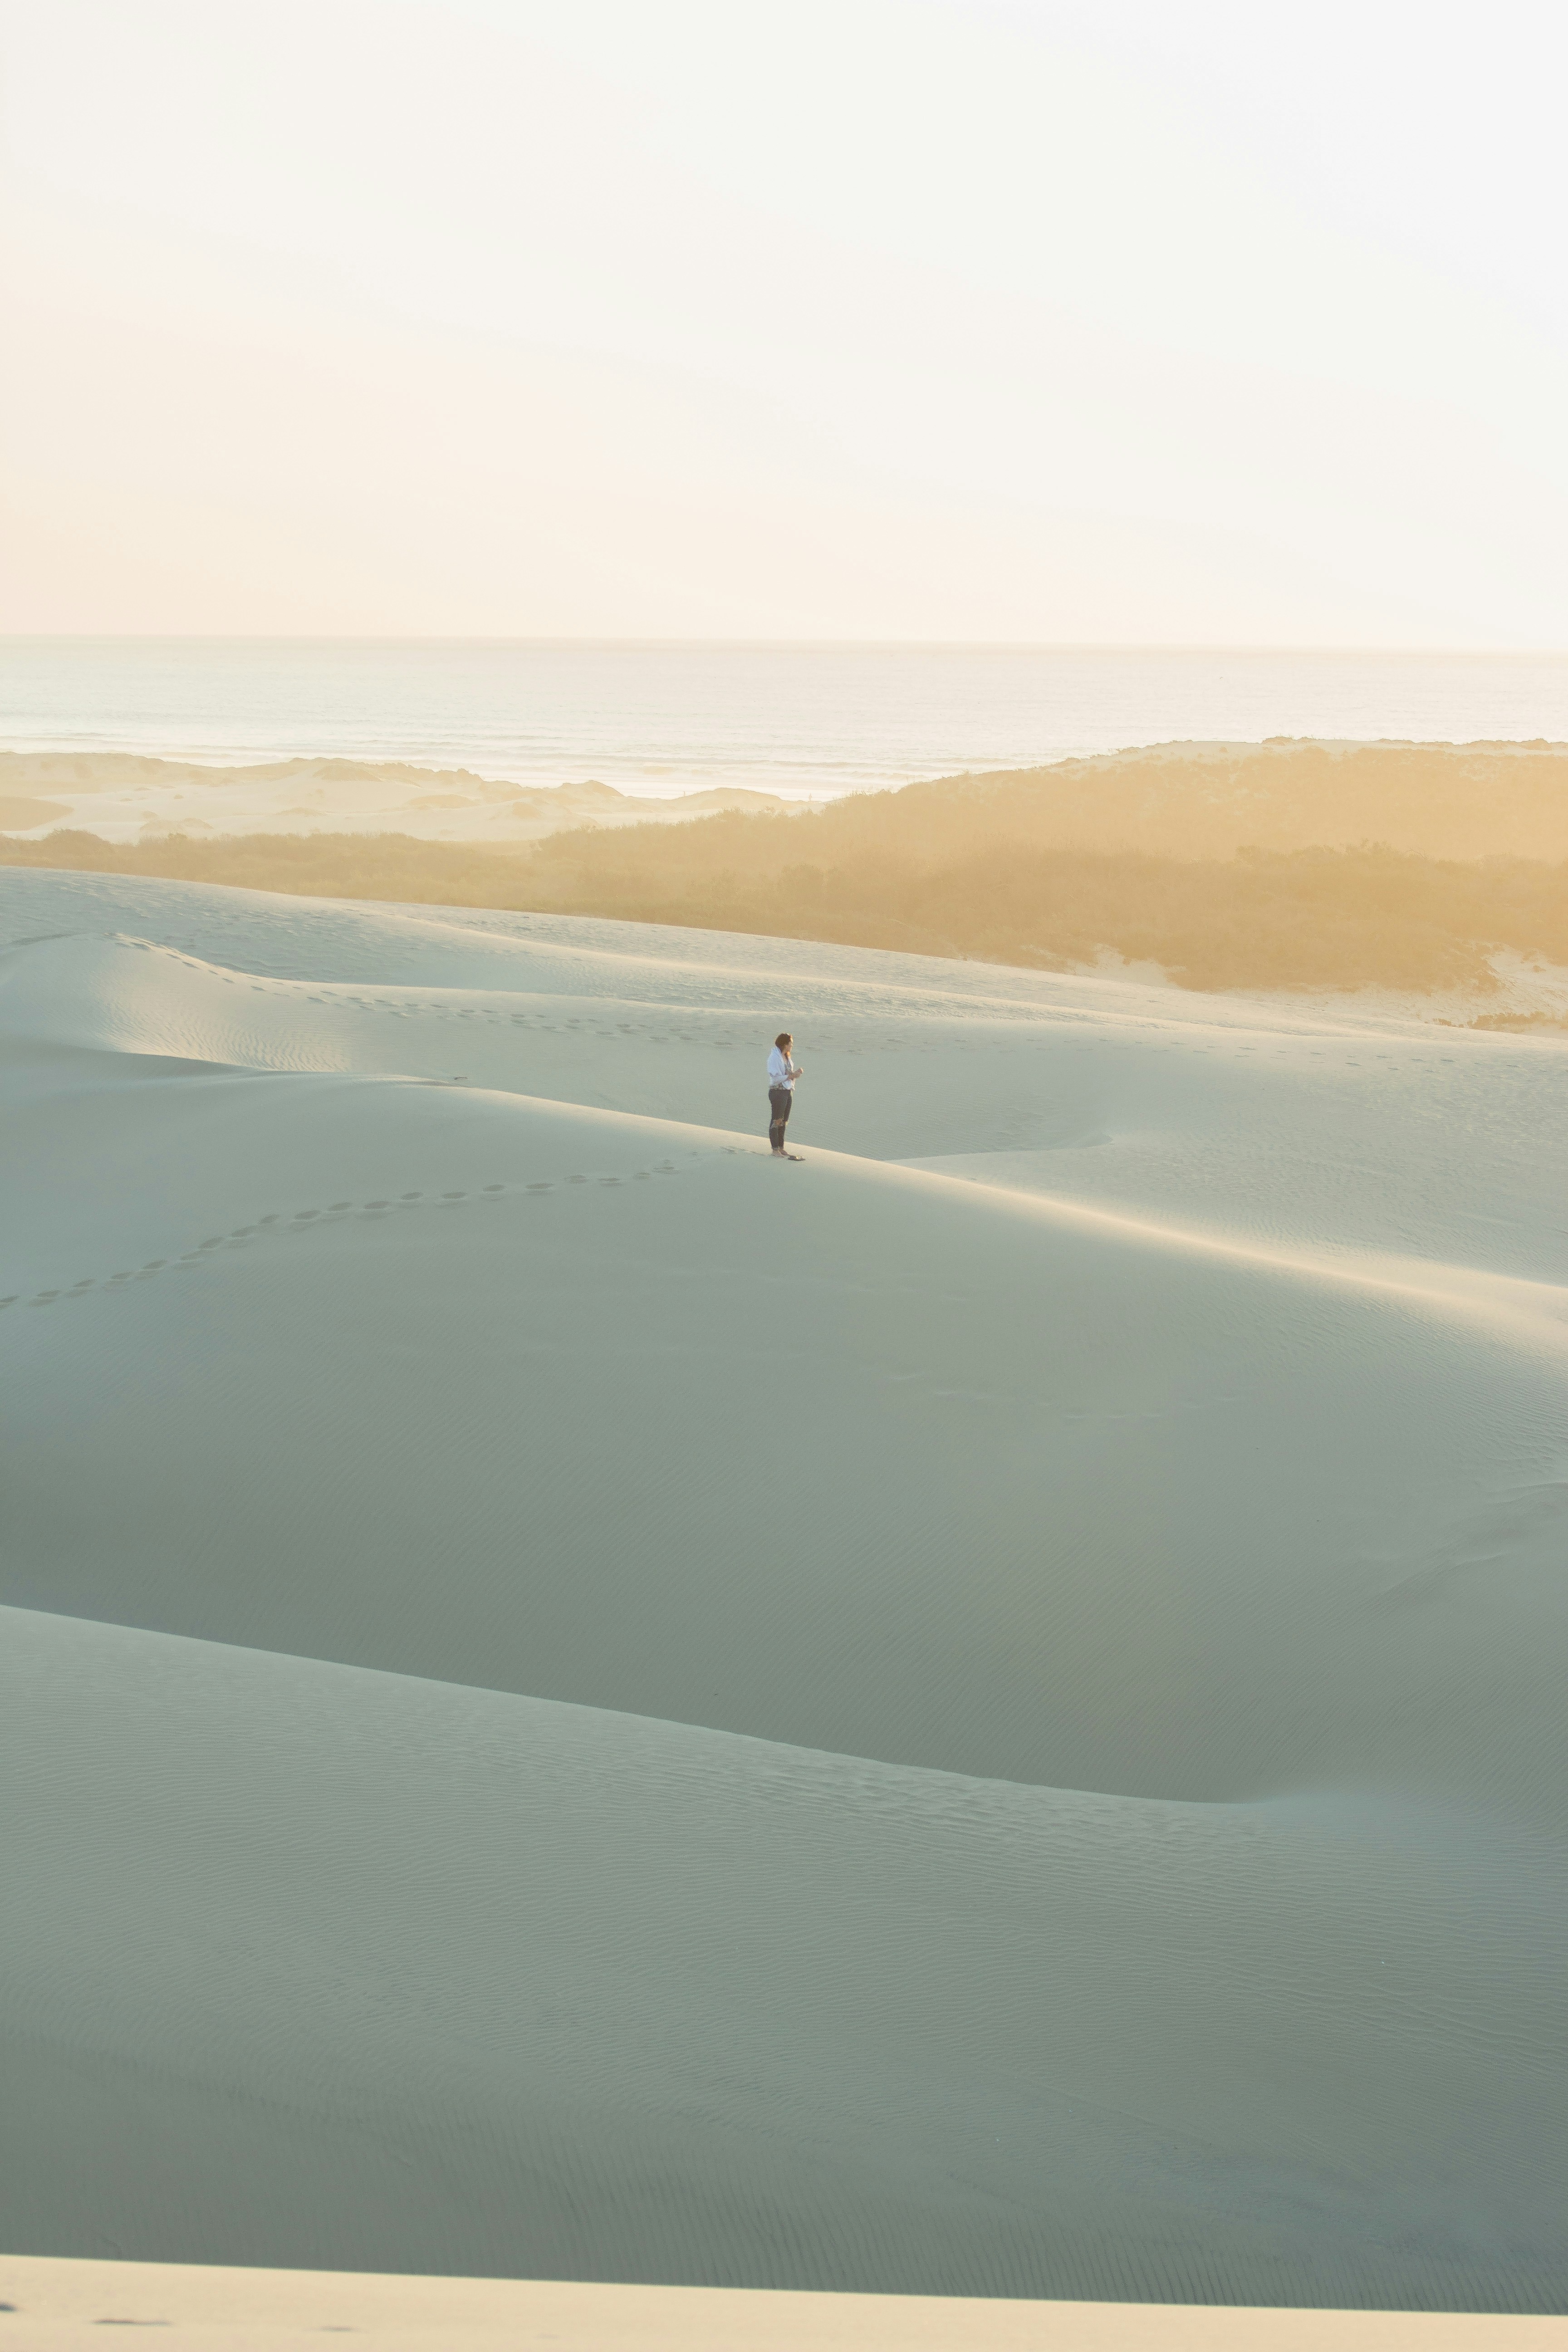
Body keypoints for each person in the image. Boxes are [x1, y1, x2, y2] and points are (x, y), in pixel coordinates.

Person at [766, 1031, 803, 1158]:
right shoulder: (774, 1057)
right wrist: (792, 1076)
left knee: (784, 1121)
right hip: (777, 1092)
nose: (792, 1046)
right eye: (791, 1044)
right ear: (785, 1044)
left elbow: (787, 1074)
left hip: (787, 1091)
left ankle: (781, 1148)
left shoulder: (786, 1057)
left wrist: (795, 1073)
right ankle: (775, 1150)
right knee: (777, 1120)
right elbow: (775, 1078)